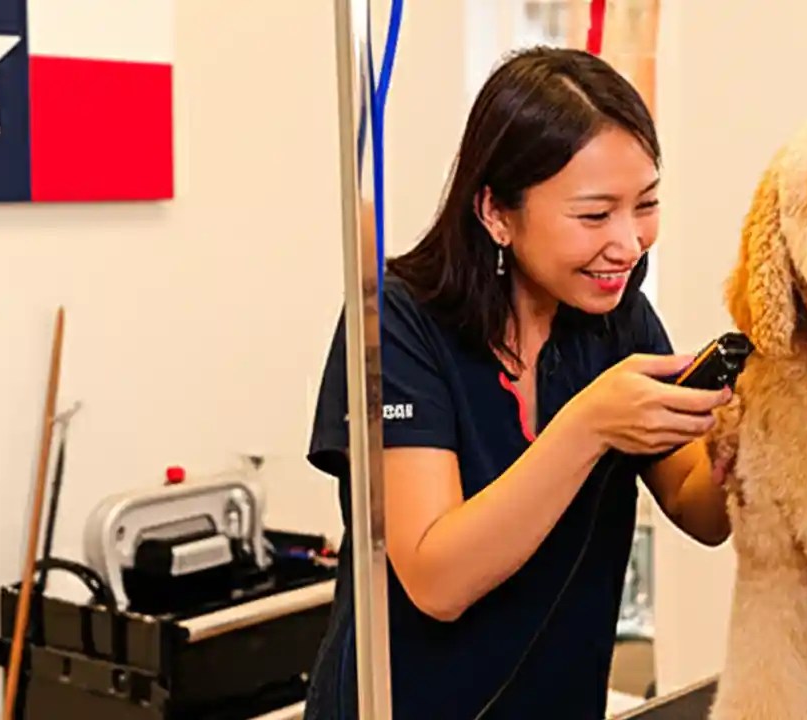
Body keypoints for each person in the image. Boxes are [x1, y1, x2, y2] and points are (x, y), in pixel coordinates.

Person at [304, 46, 735, 720]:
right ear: (497, 213)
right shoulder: (398, 323)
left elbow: (697, 505)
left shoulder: (615, 316)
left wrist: (757, 437)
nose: (628, 243)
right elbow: (437, 577)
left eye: (645, 205)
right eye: (594, 216)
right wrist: (588, 428)